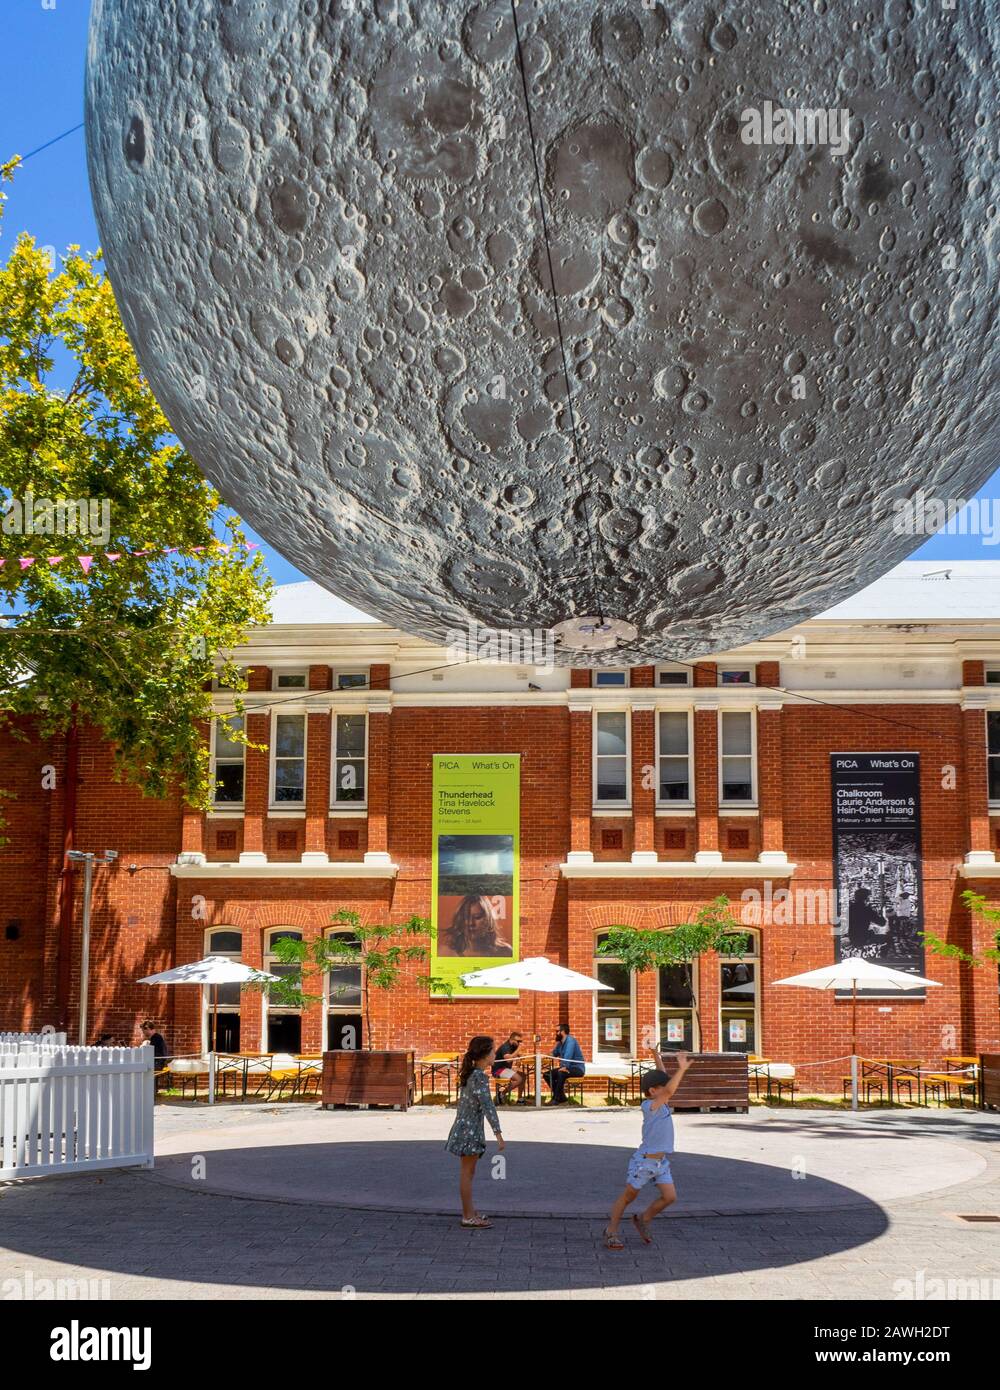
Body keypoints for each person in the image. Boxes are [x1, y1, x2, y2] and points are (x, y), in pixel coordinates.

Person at [604, 1046, 691, 1249]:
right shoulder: (650, 1105)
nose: (668, 1088)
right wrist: (682, 1069)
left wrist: (655, 1054)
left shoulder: (663, 1102)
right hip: (644, 1162)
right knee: (628, 1197)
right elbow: (669, 1088)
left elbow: (666, 1083)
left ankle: (643, 1219)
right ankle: (611, 1231)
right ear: (653, 1091)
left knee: (670, 1197)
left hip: (661, 1163)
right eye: (663, 1087)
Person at [445, 1035, 505, 1228]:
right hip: (469, 1132)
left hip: (465, 1129)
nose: (495, 1054)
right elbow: (488, 1105)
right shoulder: (479, 1076)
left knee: (468, 1172)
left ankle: (470, 1212)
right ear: (486, 1055)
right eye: (493, 1051)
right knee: (467, 1173)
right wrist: (498, 1134)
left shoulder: (472, 1074)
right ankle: (468, 1216)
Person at [442, 895, 513, 957]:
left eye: (477, 917)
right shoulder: (445, 953)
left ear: (488, 919)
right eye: (466, 917)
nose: (470, 923)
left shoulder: (505, 952)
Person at [544, 1023, 585, 1104]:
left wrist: (564, 1066)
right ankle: (561, 1097)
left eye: (557, 1031)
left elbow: (568, 1056)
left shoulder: (571, 1041)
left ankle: (555, 1099)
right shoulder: (560, 1043)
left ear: (562, 1031)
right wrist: (544, 1056)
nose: (555, 1033)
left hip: (577, 1068)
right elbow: (554, 1053)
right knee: (547, 1075)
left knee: (561, 1073)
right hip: (567, 1067)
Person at [491, 1029, 526, 1103]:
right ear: (512, 1039)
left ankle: (519, 1099)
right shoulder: (505, 1047)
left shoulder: (514, 1046)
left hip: (506, 1069)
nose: (520, 1043)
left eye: (521, 1041)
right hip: (498, 1070)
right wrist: (519, 1049)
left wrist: (518, 1059)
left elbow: (519, 1056)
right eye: (518, 1041)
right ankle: (501, 1094)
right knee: (519, 1079)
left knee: (523, 1076)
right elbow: (508, 1060)